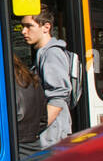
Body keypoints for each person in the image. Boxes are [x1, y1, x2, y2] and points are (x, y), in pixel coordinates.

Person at [20, 10, 73, 149]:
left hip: (51, 136)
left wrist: (35, 130)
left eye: (29, 26)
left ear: (46, 27)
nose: (23, 31)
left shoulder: (52, 53)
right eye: (22, 27)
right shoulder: (43, 54)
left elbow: (58, 98)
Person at [12, 57, 47, 159]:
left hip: (16, 146)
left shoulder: (0, 83)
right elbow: (43, 120)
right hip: (34, 145)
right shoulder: (32, 80)